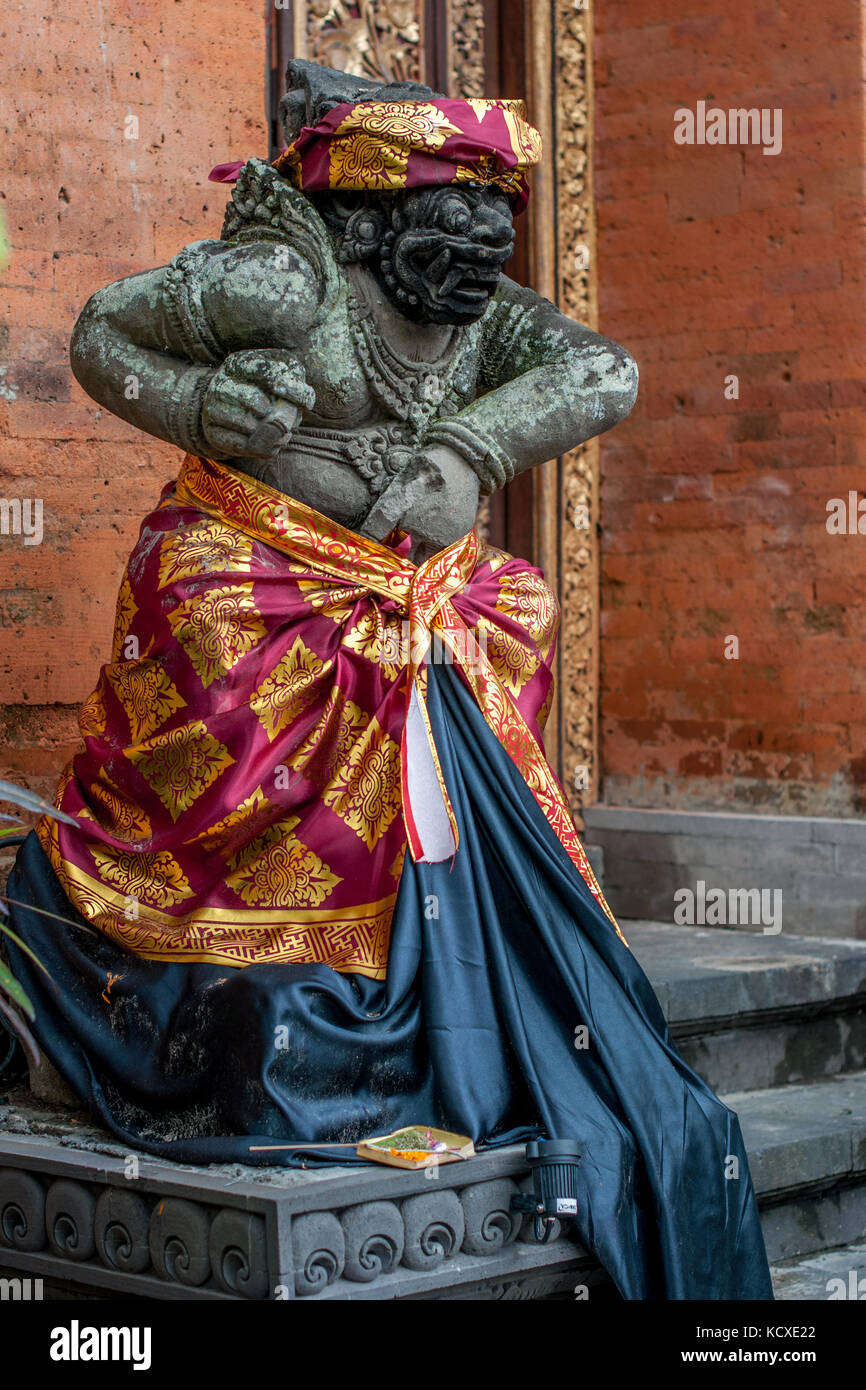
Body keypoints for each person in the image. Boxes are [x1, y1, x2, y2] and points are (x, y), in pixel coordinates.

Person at [3, 60, 773, 1300]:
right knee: (218, 654)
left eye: (494, 231)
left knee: (504, 612)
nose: (475, 257)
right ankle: (201, 938)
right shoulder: (281, 281)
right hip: (250, 577)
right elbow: (99, 331)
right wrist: (199, 398)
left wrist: (474, 441)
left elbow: (605, 373)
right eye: (444, 232)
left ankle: (434, 997)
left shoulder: (487, 314)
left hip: (412, 600)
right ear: (366, 230)